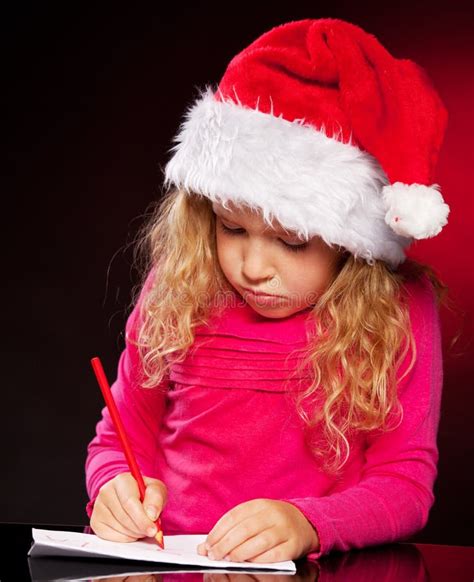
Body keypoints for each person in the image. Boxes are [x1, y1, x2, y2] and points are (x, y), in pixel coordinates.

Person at [85, 17, 452, 561]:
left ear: (349, 242)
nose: (253, 266)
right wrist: (113, 484)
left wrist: (308, 523)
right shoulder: (181, 285)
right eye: (232, 228)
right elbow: (121, 435)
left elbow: (405, 484)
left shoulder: (399, 309)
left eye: (293, 242)